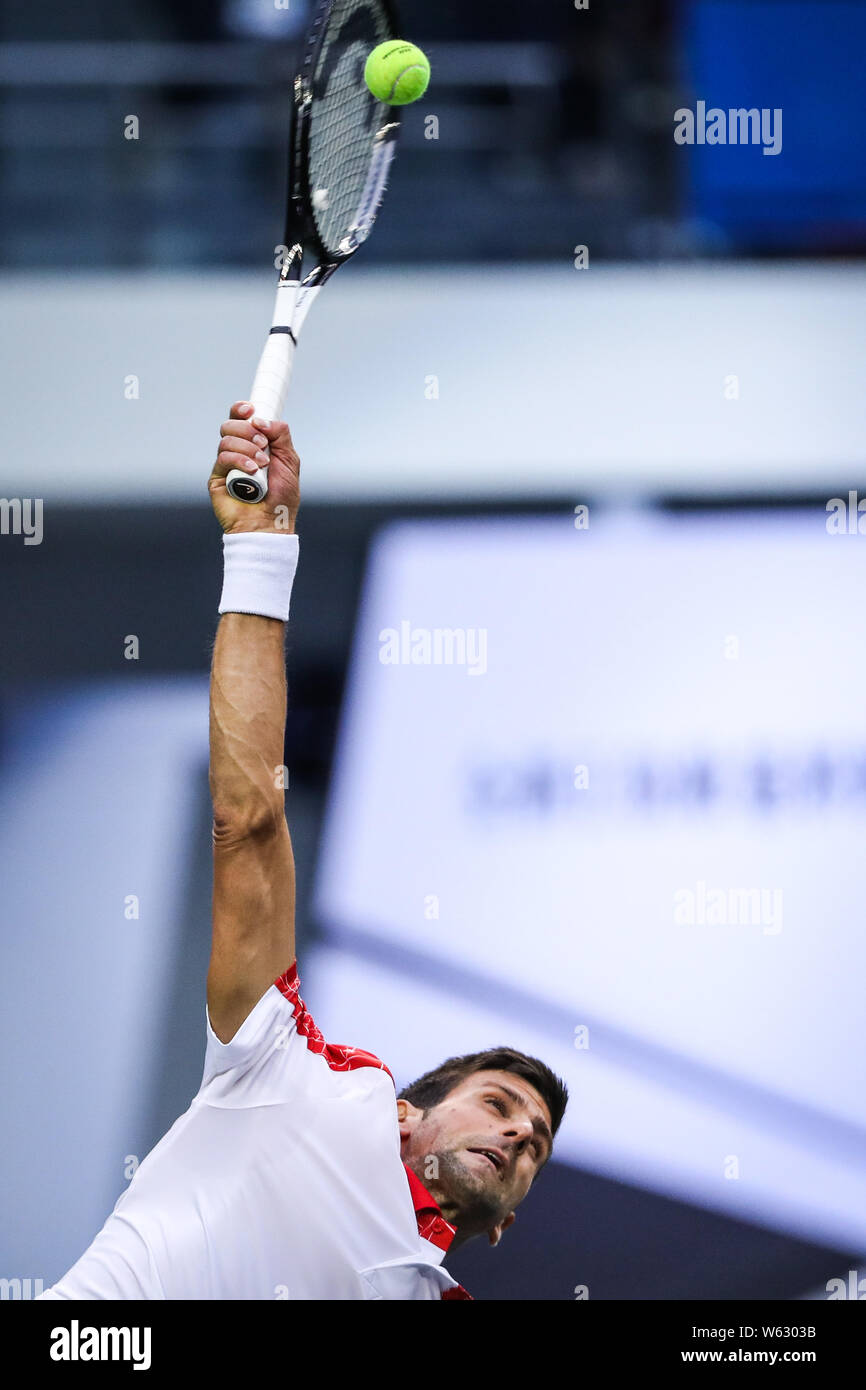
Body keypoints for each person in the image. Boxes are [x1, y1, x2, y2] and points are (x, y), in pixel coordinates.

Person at [38, 402, 568, 1301]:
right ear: (404, 1115)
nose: (519, 1136)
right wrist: (262, 545)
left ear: (506, 1223)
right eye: (499, 1104)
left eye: (536, 1147)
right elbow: (248, 820)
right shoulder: (293, 1076)